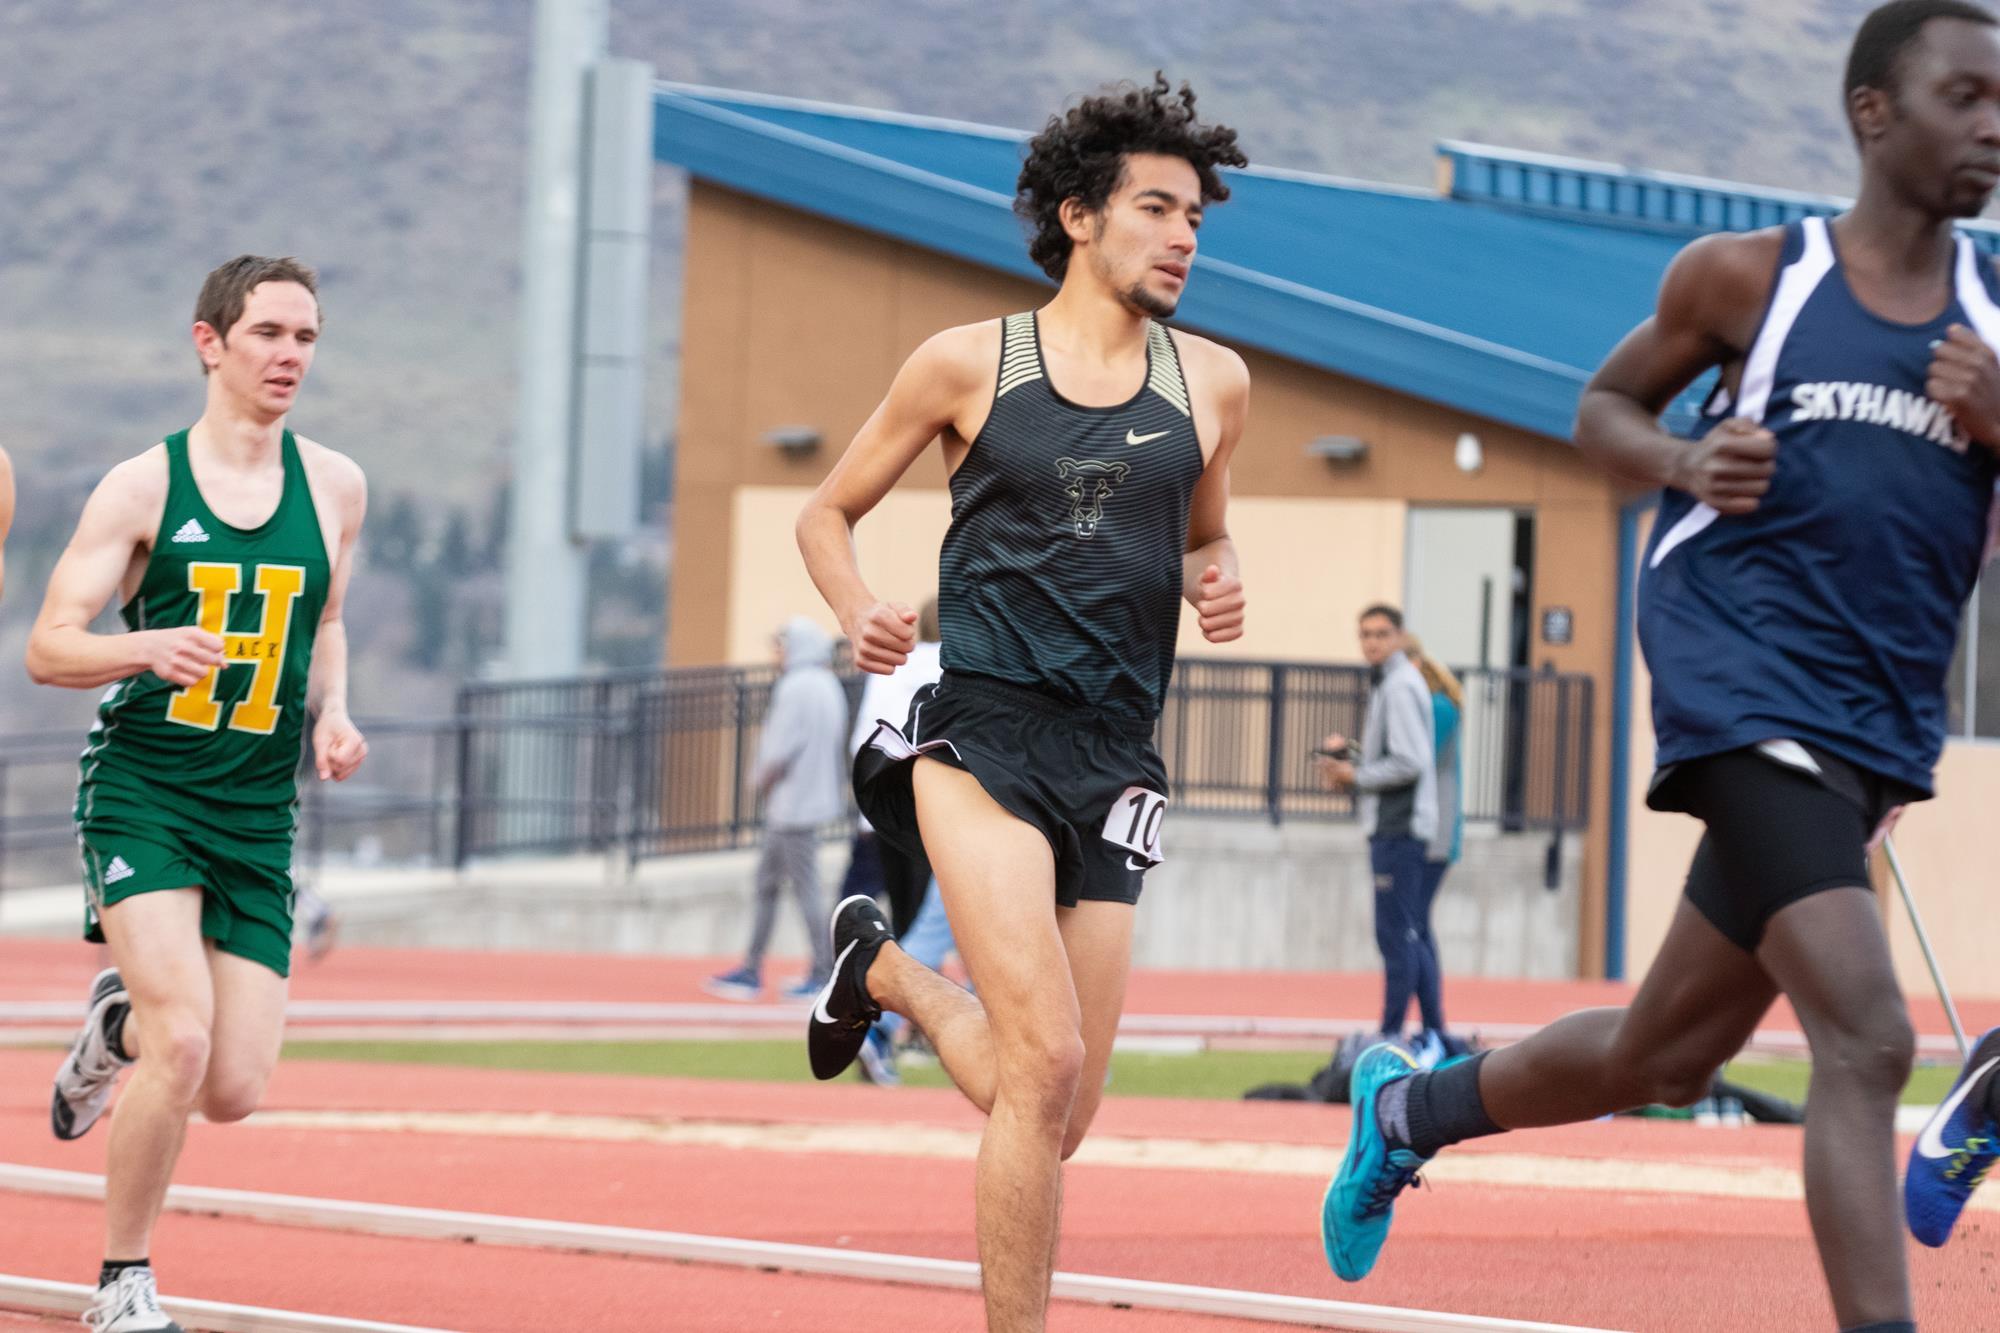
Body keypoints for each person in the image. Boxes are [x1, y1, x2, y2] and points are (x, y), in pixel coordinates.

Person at [1321, 6, 2000, 1330]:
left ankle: (1410, 1107)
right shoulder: (1752, 280)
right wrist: (1687, 461)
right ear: (1875, 113)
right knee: (1867, 1033)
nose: (1993, 126)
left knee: (1670, 1049)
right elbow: (1602, 407)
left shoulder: (1992, 319)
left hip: (1869, 725)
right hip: (1738, 683)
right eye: (1964, 96)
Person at [796, 74, 1249, 1331]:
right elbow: (823, 509)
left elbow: (1205, 536)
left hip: (1115, 758)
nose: (1182, 237)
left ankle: (884, 972)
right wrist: (857, 611)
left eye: (1197, 219)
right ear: (1079, 217)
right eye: (1156, 208)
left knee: (1060, 1112)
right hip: (977, 736)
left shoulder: (1214, 382)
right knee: (1039, 1062)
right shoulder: (964, 362)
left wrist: (1218, 582)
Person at [38, 255, 369, 1333]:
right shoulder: (142, 485)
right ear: (209, 342)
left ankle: (113, 1030)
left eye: (305, 338)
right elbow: (50, 647)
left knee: (233, 1085)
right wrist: (142, 648)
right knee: (184, 1042)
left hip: (255, 813)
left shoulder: (336, 485)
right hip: (145, 790)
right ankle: (120, 1283)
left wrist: (332, 711)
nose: (289, 356)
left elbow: (321, 618)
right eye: (269, 332)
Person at [704, 616, 850, 1002]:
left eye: (781, 646)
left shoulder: (796, 687)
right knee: (771, 884)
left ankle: (817, 971)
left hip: (792, 804)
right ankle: (754, 968)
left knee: (800, 889)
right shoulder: (826, 684)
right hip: (809, 800)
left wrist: (760, 780)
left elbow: (777, 751)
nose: (777, 654)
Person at [1318, 605, 1440, 1047]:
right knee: (1409, 932)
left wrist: (1355, 776)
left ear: (1401, 636)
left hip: (1399, 828)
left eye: (1382, 633)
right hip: (1394, 826)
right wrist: (1352, 755)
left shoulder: (1401, 685)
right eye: (1365, 634)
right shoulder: (1390, 682)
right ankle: (1433, 1031)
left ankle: (1392, 1033)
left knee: (1396, 935)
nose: (1372, 642)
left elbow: (1411, 762)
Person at [1405, 632, 1466, 1067]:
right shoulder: (1429, 706)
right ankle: (1432, 1024)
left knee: (1415, 925)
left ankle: (1435, 1025)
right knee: (1417, 926)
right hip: (1427, 830)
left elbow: (1414, 757)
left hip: (1434, 833)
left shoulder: (1438, 708)